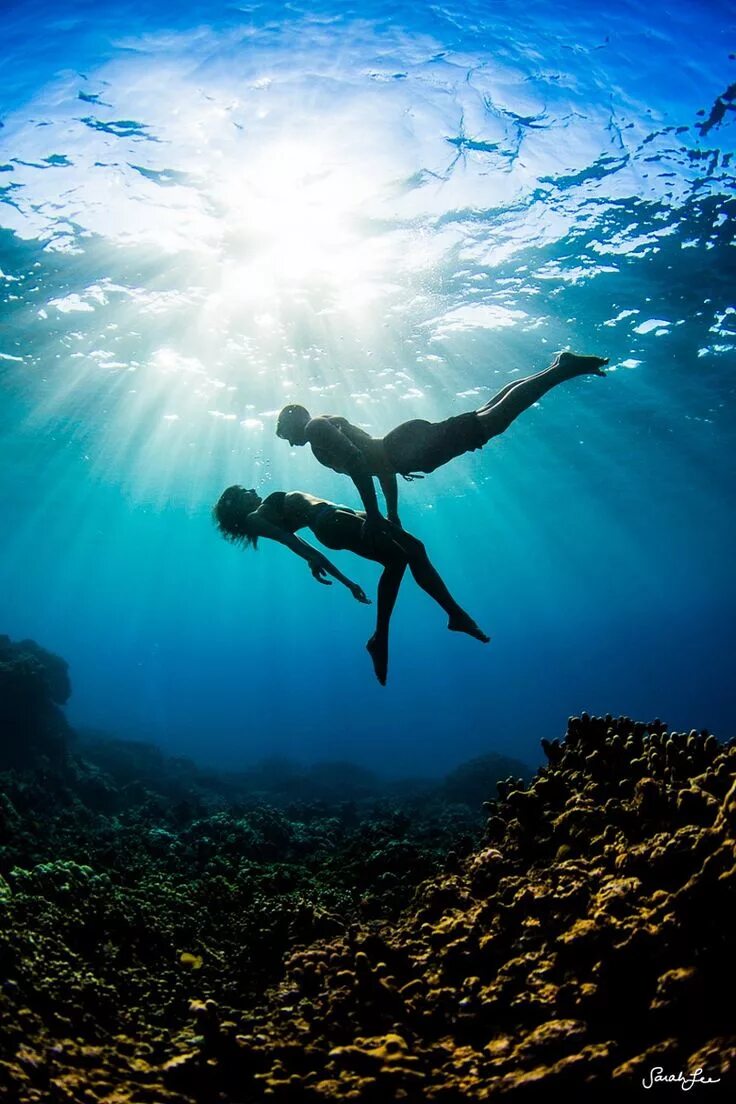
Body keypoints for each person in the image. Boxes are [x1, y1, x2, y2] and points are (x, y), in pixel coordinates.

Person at [276, 351, 609, 527]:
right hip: (400, 449)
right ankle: (555, 367)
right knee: (483, 418)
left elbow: (360, 464)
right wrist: (392, 513)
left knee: (492, 423)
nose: (288, 442)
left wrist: (374, 516)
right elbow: (380, 468)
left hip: (404, 448)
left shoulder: (314, 429)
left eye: (283, 432)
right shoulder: (322, 425)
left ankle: (560, 370)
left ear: (293, 419)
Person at [213, 485, 489, 685]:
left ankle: (454, 614)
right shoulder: (254, 518)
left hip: (339, 515)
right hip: (331, 521)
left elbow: (306, 550)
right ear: (236, 504)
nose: (251, 488)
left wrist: (339, 577)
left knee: (415, 548)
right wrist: (345, 582)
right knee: (397, 559)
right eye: (243, 492)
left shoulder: (265, 513)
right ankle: (382, 637)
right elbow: (293, 543)